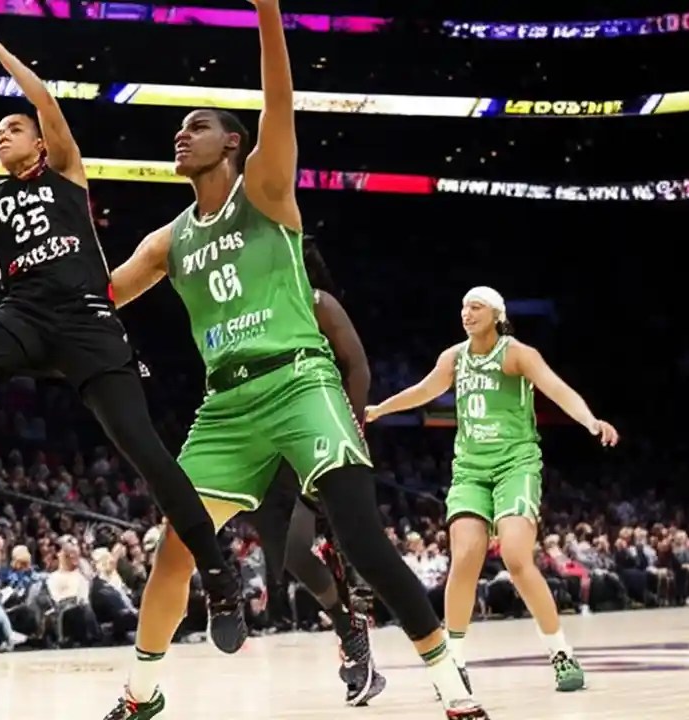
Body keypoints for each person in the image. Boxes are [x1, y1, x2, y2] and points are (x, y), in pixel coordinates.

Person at [100, 0, 488, 715]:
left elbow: (280, 99)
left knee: (363, 543)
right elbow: (98, 296)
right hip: (225, 406)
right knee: (172, 551)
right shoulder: (168, 239)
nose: (180, 135)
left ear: (233, 144)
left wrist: (269, 14)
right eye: (180, 127)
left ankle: (453, 690)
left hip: (300, 382)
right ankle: (141, 694)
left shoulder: (268, 191)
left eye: (198, 126)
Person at [0, 15, 247, 651]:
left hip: (88, 320)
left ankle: (220, 575)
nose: (3, 134)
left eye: (13, 129)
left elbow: (41, 98)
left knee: (149, 455)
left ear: (40, 145)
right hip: (26, 318)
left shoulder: (66, 171)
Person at [366, 286, 619, 693]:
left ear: (497, 314)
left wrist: (590, 421)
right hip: (470, 469)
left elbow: (556, 388)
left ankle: (561, 653)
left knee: (518, 558)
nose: (466, 313)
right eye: (463, 307)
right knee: (464, 557)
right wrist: (379, 408)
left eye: (475, 307)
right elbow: (425, 390)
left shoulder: (518, 354)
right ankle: (456, 664)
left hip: (515, 463)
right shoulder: (453, 357)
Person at [237, 241, 386, 707]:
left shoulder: (320, 303)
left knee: (346, 549)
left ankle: (422, 647)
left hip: (333, 434)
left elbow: (358, 367)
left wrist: (352, 426)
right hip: (289, 446)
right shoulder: (264, 313)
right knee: (294, 556)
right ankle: (349, 630)